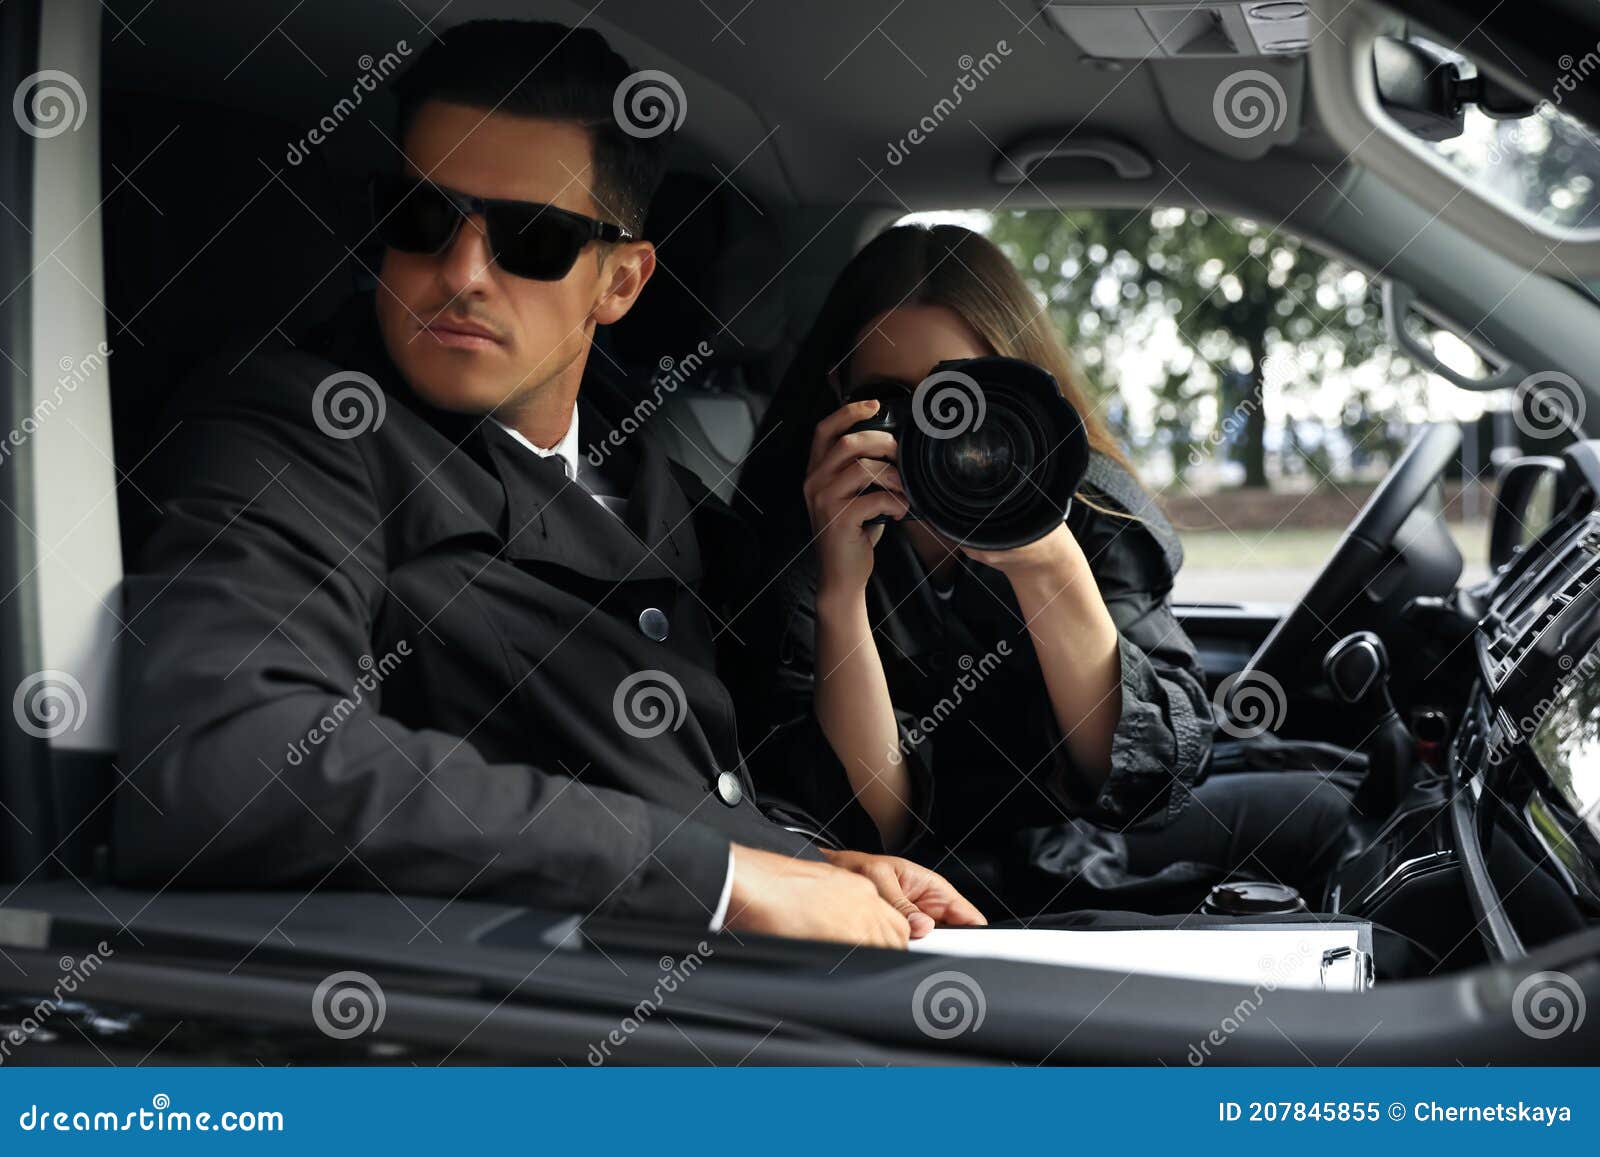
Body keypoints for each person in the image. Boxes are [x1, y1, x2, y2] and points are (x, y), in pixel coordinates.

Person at [112, 20, 985, 949]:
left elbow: (717, 768)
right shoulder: (299, 431)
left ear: (620, 283)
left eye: (531, 238)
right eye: (422, 218)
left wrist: (795, 858)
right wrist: (721, 876)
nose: (459, 274)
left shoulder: (670, 497)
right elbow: (225, 755)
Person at [735, 223, 1355, 917]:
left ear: (1021, 392)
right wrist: (841, 591)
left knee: (1331, 804)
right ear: (837, 393)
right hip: (918, 887)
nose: (932, 434)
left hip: (1080, 832)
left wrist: (1049, 559)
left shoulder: (1085, 503)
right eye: (890, 401)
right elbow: (873, 826)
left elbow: (1144, 781)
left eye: (961, 401)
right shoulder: (797, 522)